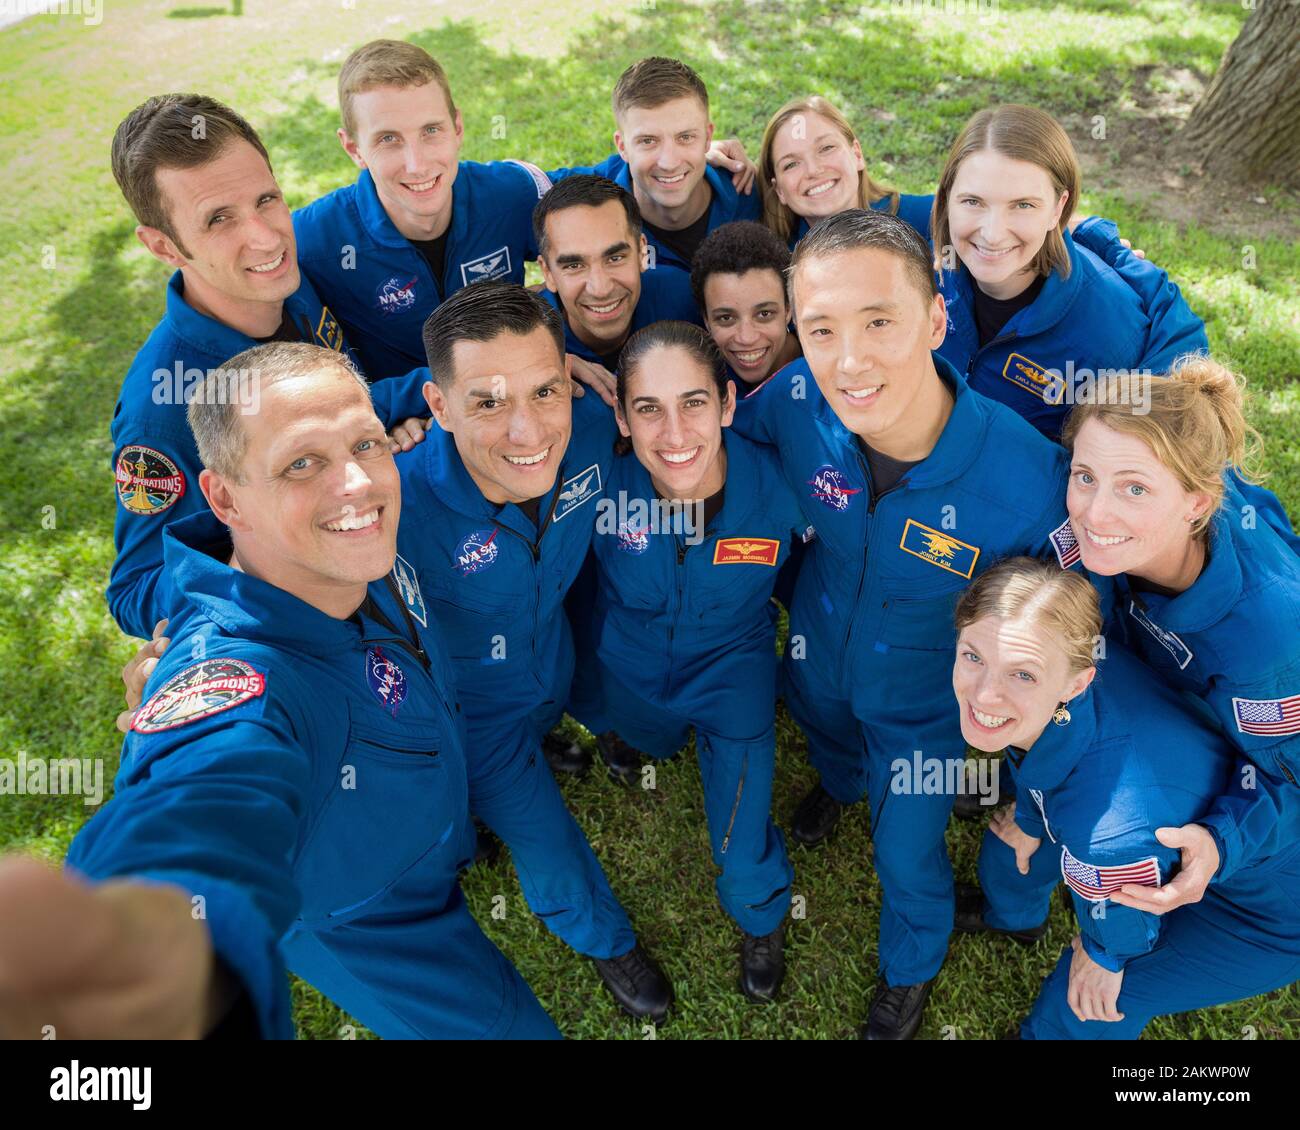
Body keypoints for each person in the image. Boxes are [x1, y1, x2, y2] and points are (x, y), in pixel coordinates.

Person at [9, 344, 559, 1039]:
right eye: (302, 463)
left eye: (364, 441)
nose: (357, 483)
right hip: (367, 918)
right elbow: (205, 803)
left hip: (424, 825)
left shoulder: (349, 542)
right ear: (223, 497)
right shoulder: (237, 686)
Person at [730, 208, 1079, 1039]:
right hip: (816, 665)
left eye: (879, 321)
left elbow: (1067, 635)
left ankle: (909, 971)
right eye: (820, 329)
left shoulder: (1031, 480)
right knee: (828, 739)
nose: (849, 360)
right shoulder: (792, 401)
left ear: (935, 318)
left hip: (925, 713)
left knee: (907, 859)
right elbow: (727, 454)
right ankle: (840, 782)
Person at [397, 281, 673, 1020]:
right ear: (438, 406)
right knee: (546, 842)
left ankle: (568, 739)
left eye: (545, 390)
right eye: (487, 401)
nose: (527, 431)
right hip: (474, 717)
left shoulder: (588, 427)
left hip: (556, 666)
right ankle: (606, 942)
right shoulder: (391, 506)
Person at [107, 93, 429, 642]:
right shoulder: (161, 409)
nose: (265, 236)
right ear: (163, 245)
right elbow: (135, 590)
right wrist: (274, 551)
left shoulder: (287, 280)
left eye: (266, 199)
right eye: (219, 220)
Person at [950, 557, 1300, 1038]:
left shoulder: (1104, 836)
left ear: (1077, 683)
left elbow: (1120, 910)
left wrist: (1104, 955)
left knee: (1089, 1001)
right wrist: (1033, 817)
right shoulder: (1070, 659)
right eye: (973, 656)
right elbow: (1043, 754)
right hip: (1172, 815)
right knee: (1009, 852)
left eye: (1022, 675)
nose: (985, 695)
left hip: (1268, 911)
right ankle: (1016, 920)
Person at [591, 321, 804, 1000]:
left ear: (728, 404)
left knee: (741, 847)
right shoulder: (595, 480)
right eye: (648, 408)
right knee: (644, 739)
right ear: (622, 416)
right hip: (630, 662)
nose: (674, 433)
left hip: (733, 669)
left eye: (694, 403)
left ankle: (762, 917)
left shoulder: (780, 485)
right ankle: (635, 736)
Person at [1057, 358, 1300, 912]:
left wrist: (1220, 841)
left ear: (1197, 504)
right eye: (1085, 476)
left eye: (1134, 489)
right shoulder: (1189, 494)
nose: (1094, 512)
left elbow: (1291, 779)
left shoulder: (1267, 649)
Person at [927, 104, 1208, 440]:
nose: (992, 232)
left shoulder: (1108, 339)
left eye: (1023, 205)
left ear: (1058, 209)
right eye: (973, 201)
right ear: (946, 199)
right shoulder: (921, 271)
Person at [292, 40, 556, 381]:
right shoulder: (311, 243)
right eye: (388, 139)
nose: (416, 165)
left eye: (431, 130)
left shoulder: (510, 195)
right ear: (353, 148)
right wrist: (389, 408)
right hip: (403, 429)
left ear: (457, 127)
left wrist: (555, 334)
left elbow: (612, 191)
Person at [550, 56, 761, 282]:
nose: (669, 163)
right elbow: (512, 185)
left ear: (707, 138)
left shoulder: (750, 192)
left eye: (686, 137)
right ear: (622, 146)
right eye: (648, 141)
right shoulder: (580, 196)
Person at [534, 174, 703, 371]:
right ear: (548, 273)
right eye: (574, 266)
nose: (601, 289)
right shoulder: (518, 341)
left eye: (615, 258)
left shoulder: (688, 298)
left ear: (642, 252)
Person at [757, 95, 932, 248]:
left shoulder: (931, 219)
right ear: (779, 189)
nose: (813, 170)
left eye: (826, 148)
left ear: (857, 154)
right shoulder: (776, 258)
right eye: (791, 164)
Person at [690, 220, 801, 389]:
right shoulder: (701, 382)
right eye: (726, 318)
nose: (747, 338)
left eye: (764, 314)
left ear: (788, 309)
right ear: (706, 320)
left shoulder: (825, 368)